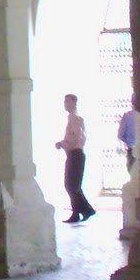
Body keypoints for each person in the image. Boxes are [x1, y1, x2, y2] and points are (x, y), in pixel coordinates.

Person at [55, 93, 95, 223]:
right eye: (65, 101)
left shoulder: (76, 120)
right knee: (71, 185)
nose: (65, 104)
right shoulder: (72, 119)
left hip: (76, 154)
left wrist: (62, 143)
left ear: (74, 103)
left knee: (72, 185)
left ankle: (85, 210)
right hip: (72, 154)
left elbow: (76, 138)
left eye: (67, 101)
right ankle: (79, 211)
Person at [117, 107, 138, 173]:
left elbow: (120, 135)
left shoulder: (127, 116)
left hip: (132, 151)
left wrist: (129, 141)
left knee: (132, 173)